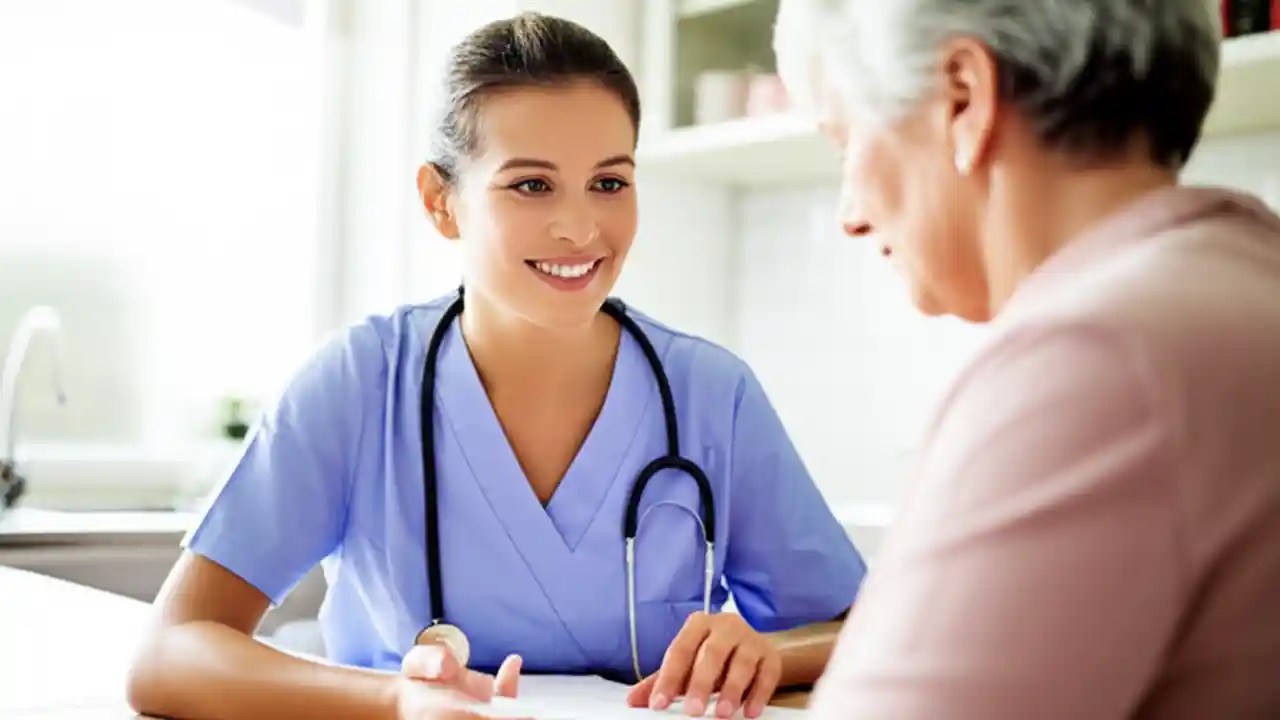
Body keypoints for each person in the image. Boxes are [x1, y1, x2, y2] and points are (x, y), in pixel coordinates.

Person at [125, 11, 867, 720]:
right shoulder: (359, 384)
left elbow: (863, 632)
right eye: (531, 185)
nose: (580, 228)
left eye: (609, 182)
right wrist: (395, 704)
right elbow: (171, 652)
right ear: (441, 201)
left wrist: (767, 650)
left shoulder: (712, 396)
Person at [772, 0, 1280, 717]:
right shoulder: (1242, 288)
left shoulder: (1094, 357)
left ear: (965, 99)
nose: (849, 213)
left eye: (844, 140)